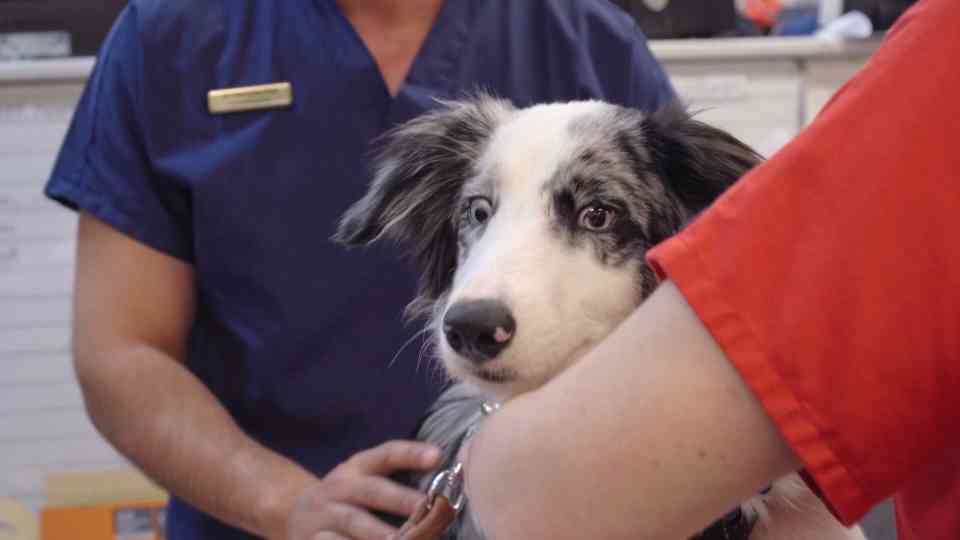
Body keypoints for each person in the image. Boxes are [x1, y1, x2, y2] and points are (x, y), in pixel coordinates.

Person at [43, 1, 674, 539]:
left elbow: (683, 317)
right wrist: (286, 504)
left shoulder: (586, 38)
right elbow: (120, 353)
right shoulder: (169, 37)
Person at [463, 0, 960, 539]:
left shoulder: (942, 61)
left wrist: (478, 461)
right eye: (480, 214)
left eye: (597, 217)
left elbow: (533, 503)